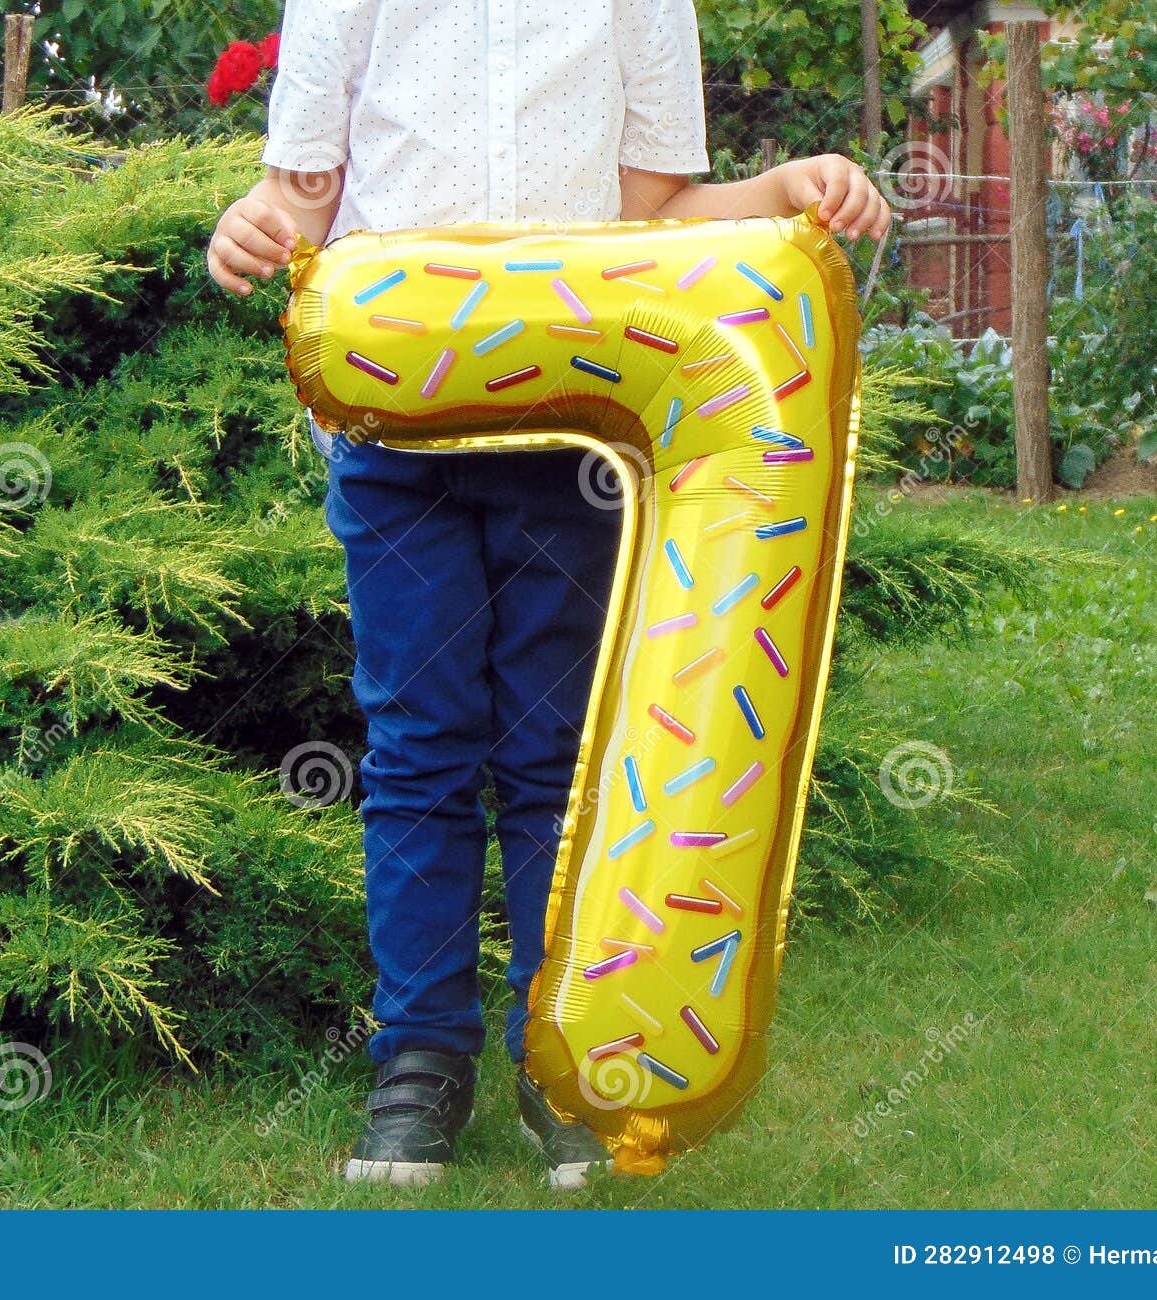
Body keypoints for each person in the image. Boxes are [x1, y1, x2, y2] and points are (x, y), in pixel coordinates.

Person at [208, 0, 891, 1189]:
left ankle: (559, 1056)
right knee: (418, 748)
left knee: (556, 758)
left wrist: (786, 187)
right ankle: (419, 1063)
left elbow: (658, 214)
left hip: (571, 437)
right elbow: (298, 204)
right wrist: (246, 231)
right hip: (396, 439)